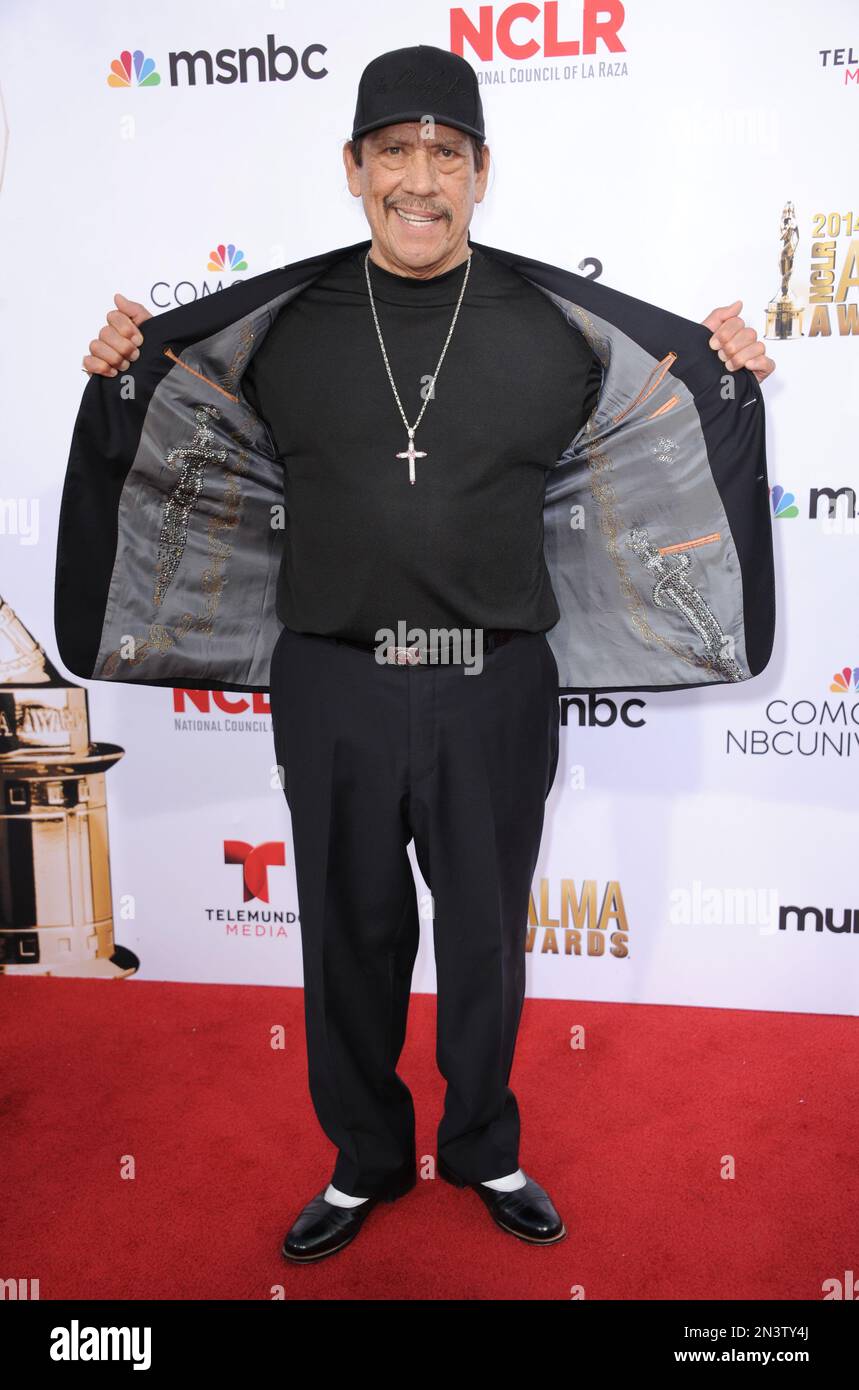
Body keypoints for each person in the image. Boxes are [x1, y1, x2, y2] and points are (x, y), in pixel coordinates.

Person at [75, 45, 776, 1264]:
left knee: (486, 938)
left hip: (492, 681)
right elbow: (181, 429)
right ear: (352, 170)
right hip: (333, 679)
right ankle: (363, 1158)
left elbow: (655, 423)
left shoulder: (557, 330)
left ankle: (484, 1143)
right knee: (347, 936)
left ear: (482, 172)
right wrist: (119, 370)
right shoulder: (276, 326)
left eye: (444, 154)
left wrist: (729, 369)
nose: (419, 178)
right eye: (391, 152)